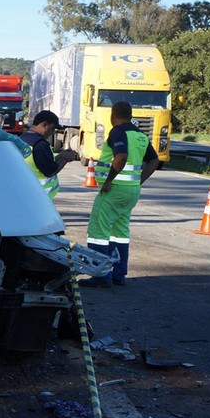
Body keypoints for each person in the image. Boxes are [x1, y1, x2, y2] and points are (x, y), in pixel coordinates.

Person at [80, 101, 159, 288]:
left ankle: (100, 275)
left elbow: (121, 157)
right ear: (130, 115)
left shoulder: (117, 131)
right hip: (131, 191)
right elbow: (154, 160)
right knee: (120, 232)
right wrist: (138, 181)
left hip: (113, 190)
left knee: (98, 231)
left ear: (113, 115)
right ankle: (118, 274)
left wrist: (108, 180)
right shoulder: (140, 135)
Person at [21, 110, 78, 198]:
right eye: (52, 129)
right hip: (40, 195)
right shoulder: (40, 144)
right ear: (45, 124)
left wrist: (61, 155)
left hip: (25, 190)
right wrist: (65, 159)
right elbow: (50, 170)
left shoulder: (21, 139)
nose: (52, 132)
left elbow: (42, 163)